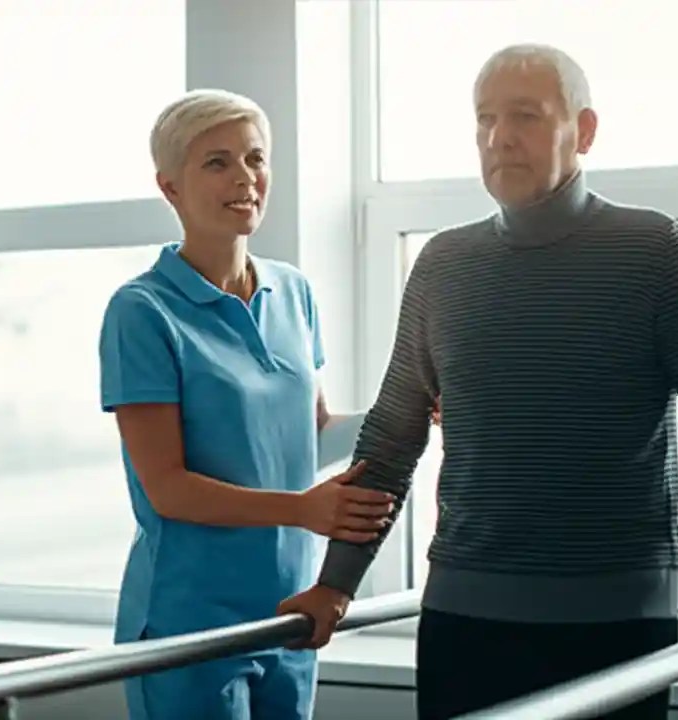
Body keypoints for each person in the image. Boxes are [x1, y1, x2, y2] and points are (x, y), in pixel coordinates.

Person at [278, 43, 678, 719]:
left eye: (526, 117)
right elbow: (391, 446)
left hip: (616, 626)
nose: (498, 138)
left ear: (585, 131)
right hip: (464, 617)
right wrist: (335, 586)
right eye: (484, 120)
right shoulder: (443, 265)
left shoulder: (655, 253)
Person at [98, 89, 427, 720]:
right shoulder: (141, 312)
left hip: (288, 610)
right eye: (217, 162)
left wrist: (415, 406)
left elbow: (314, 432)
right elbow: (168, 489)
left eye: (256, 159)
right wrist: (302, 509)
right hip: (190, 619)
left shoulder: (294, 291)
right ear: (171, 187)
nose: (245, 178)